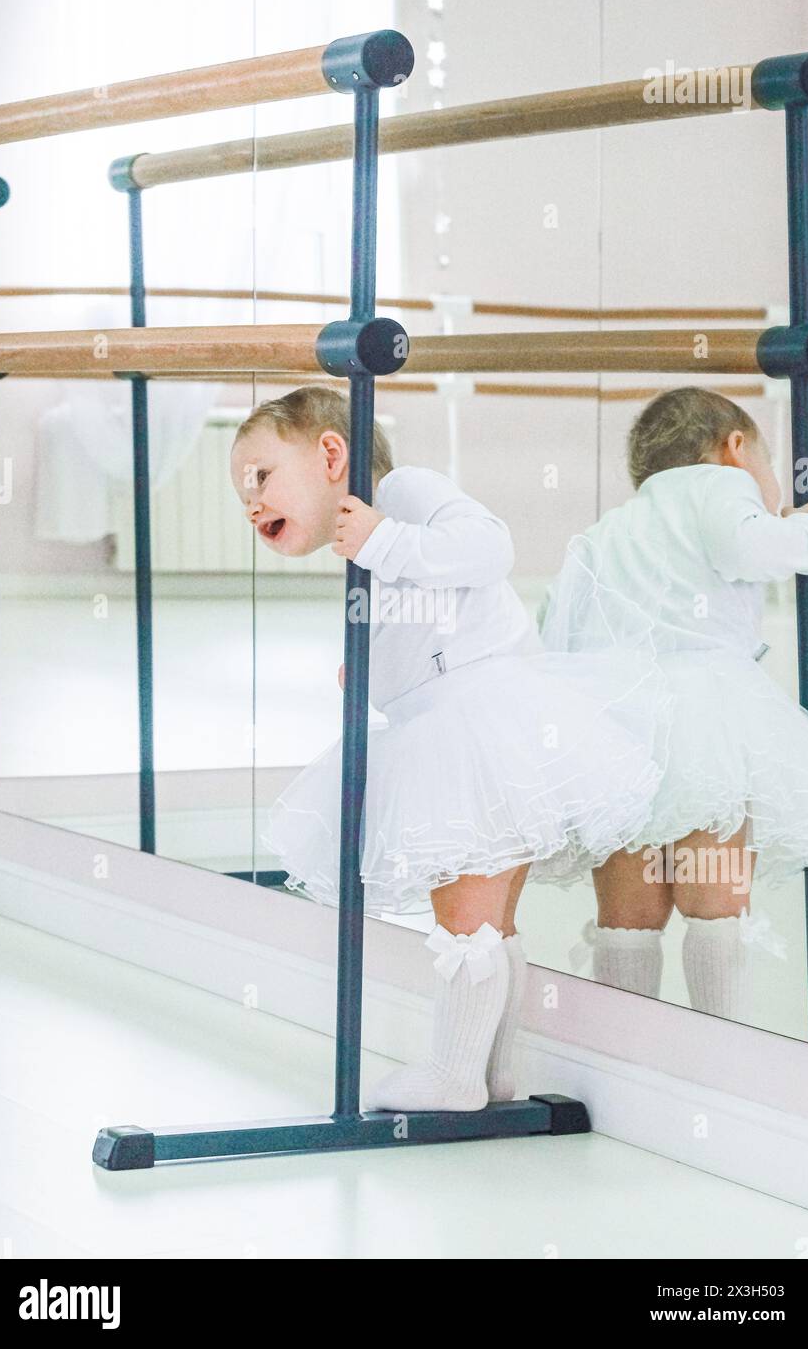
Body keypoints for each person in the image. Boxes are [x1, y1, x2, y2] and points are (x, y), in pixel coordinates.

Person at [230, 384, 667, 1110]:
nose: (250, 502)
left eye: (261, 477)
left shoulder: (403, 494)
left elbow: (488, 549)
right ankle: (495, 1071)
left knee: (463, 914)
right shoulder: (362, 541)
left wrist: (385, 541)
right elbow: (424, 614)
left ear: (332, 454)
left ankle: (454, 1074)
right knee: (490, 920)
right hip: (472, 723)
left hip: (476, 722)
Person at [539, 386, 808, 1022]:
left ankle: (627, 1047)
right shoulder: (719, 487)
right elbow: (753, 549)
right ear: (734, 450)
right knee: (713, 895)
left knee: (629, 908)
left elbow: (557, 628)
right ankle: (720, 1042)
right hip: (705, 714)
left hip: (614, 724)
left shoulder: (606, 529)